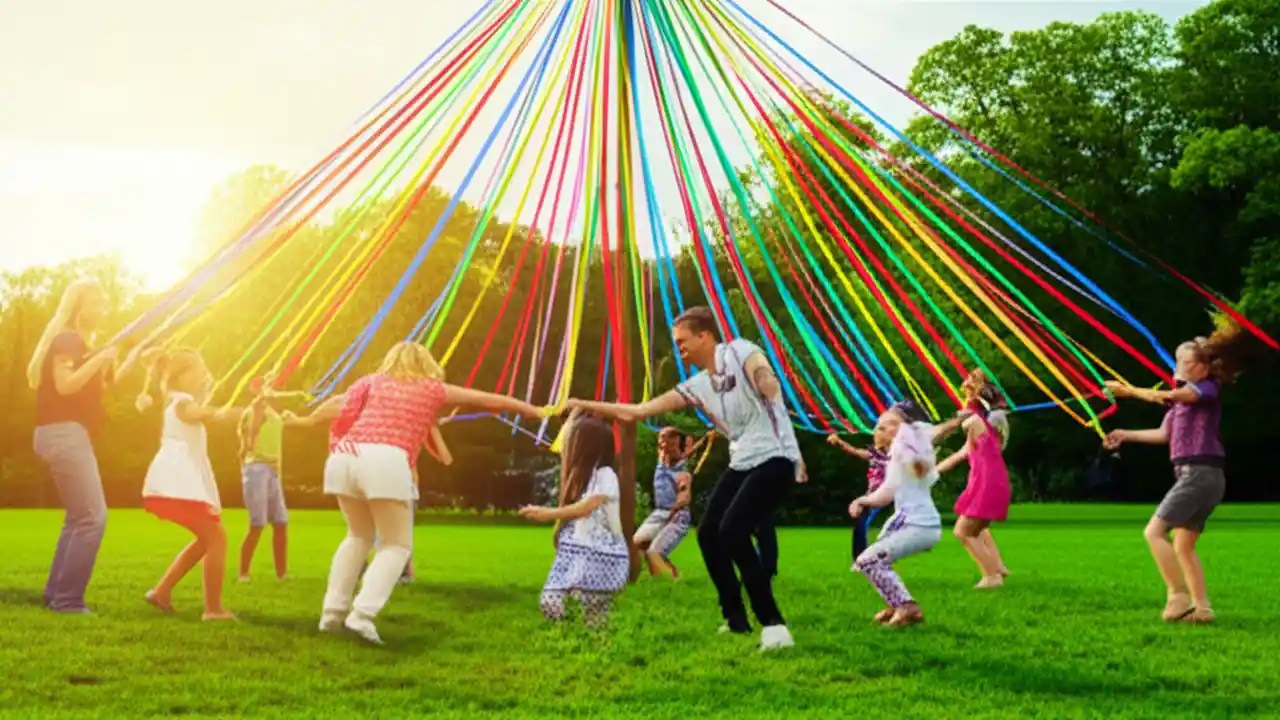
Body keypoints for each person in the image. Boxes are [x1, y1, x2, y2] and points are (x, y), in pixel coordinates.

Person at [568, 306, 806, 651]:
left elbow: (762, 373)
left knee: (733, 531)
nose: (679, 349)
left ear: (704, 336)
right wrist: (582, 403)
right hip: (743, 462)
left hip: (776, 457)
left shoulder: (739, 350)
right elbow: (637, 411)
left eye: (682, 342)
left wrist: (767, 384)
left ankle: (774, 625)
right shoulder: (697, 385)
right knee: (710, 533)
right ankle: (736, 619)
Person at [318, 342, 544, 644]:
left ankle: (332, 613)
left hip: (344, 457)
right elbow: (486, 400)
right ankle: (362, 614)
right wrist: (530, 409)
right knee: (396, 544)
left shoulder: (368, 383)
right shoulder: (432, 389)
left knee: (357, 536)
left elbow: (339, 412)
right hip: (385, 459)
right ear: (425, 363)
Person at [1103, 324, 1255, 624]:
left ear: (1203, 367)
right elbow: (1164, 435)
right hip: (1202, 476)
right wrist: (1125, 434)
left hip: (1199, 474)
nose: (1179, 366)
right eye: (1177, 361)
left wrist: (1129, 391)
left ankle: (1178, 595)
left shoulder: (1206, 389)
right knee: (1183, 545)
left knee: (1153, 532)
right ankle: (1202, 608)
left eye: (1185, 362)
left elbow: (1170, 396)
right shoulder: (1180, 404)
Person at [28, 281, 123, 614]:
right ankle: (68, 601)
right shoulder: (68, 339)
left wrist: (114, 358)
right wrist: (99, 359)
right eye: (96, 302)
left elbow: (101, 387)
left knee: (76, 518)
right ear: (79, 306)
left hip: (64, 434)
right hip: (63, 434)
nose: (102, 309)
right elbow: (65, 386)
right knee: (93, 518)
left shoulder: (80, 344)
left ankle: (55, 593)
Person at [136, 348, 243, 621]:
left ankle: (161, 592)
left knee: (206, 539)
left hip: (177, 481)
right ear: (182, 377)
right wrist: (235, 412)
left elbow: (201, 410)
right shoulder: (182, 402)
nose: (203, 373)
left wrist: (209, 395)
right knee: (216, 538)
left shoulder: (176, 399)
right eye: (197, 369)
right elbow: (202, 413)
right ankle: (213, 609)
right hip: (178, 481)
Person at [520, 412, 629, 628]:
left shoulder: (607, 475)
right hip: (583, 554)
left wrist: (548, 513)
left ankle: (588, 644)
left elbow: (586, 508)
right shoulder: (584, 478)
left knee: (593, 617)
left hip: (604, 557)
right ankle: (573, 634)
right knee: (553, 603)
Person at [849, 403, 945, 627]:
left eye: (886, 426)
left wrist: (954, 423)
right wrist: (862, 500)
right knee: (872, 562)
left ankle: (907, 607)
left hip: (918, 525)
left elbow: (931, 434)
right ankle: (897, 604)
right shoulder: (896, 457)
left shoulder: (907, 450)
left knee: (869, 560)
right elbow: (887, 493)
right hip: (910, 523)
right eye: (878, 426)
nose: (877, 431)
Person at [937, 382, 1012, 583]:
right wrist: (933, 472)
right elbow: (961, 454)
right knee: (977, 528)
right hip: (989, 480)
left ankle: (991, 576)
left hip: (987, 482)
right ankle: (997, 567)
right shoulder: (984, 430)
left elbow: (962, 421)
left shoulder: (976, 423)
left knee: (962, 531)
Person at [236, 381, 309, 583]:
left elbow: (285, 396)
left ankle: (282, 574)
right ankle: (243, 573)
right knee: (257, 523)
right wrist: (259, 407)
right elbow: (253, 430)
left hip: (273, 470)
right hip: (257, 468)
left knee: (281, 523)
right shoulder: (255, 410)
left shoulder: (273, 412)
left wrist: (298, 395)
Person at [633, 427, 704, 578]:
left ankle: (671, 582)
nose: (664, 446)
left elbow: (685, 497)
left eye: (670, 444)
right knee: (636, 545)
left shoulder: (682, 472)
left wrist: (674, 511)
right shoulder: (662, 459)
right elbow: (664, 447)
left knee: (655, 553)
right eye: (662, 441)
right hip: (659, 513)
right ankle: (668, 574)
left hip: (677, 515)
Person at [828, 424, 891, 563]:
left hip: (887, 496)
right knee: (860, 527)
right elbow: (854, 451)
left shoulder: (895, 457)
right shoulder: (873, 455)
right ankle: (861, 559)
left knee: (871, 527)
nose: (876, 438)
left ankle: (870, 559)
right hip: (871, 497)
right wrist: (839, 442)